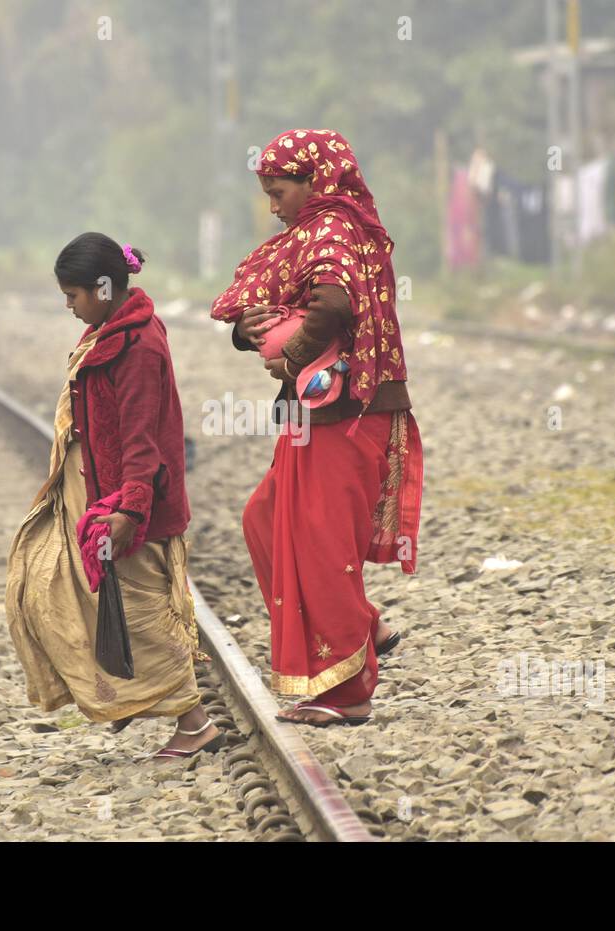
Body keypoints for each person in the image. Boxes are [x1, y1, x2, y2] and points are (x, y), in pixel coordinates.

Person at [211, 129, 424, 726]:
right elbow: (291, 307)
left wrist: (290, 356)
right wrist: (249, 332)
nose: (273, 206)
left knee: (322, 544)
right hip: (313, 413)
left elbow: (333, 306)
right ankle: (361, 625)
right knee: (266, 520)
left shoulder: (334, 229)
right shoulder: (317, 233)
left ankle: (347, 690)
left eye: (278, 192)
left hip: (348, 411)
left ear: (315, 180)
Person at [5, 232, 221, 759]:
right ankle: (128, 699)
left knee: (141, 614)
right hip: (98, 492)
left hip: (127, 502)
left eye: (74, 295)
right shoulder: (111, 332)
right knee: (53, 590)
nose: (68, 305)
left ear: (103, 288)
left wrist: (130, 510)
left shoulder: (138, 346)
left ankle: (194, 724)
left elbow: (143, 438)